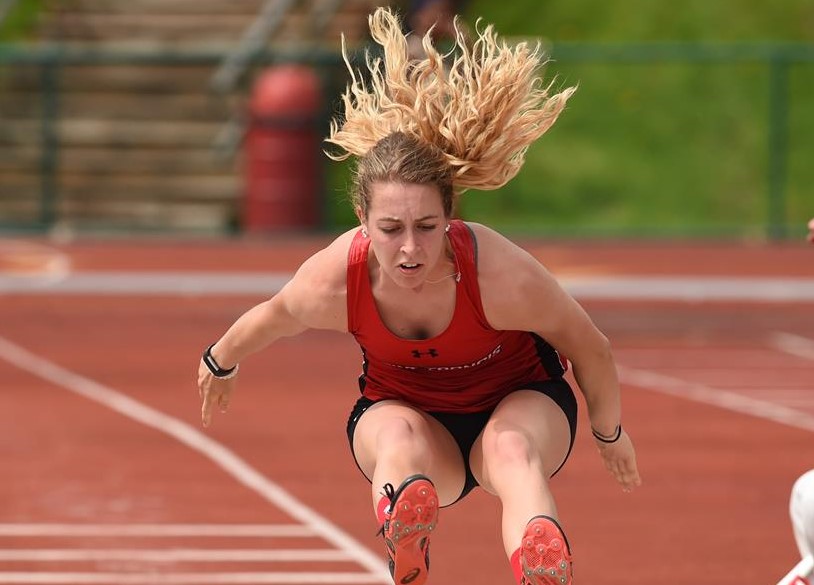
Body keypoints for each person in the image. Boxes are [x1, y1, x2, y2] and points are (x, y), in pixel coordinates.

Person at [197, 7, 641, 585]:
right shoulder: (336, 278)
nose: (409, 249)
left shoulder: (500, 276)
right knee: (395, 437)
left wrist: (610, 434)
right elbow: (275, 315)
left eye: (427, 228)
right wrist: (220, 359)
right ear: (362, 220)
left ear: (450, 215)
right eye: (391, 229)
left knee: (510, 451)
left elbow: (591, 347)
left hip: (520, 401)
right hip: (412, 416)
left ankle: (540, 559)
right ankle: (405, 519)